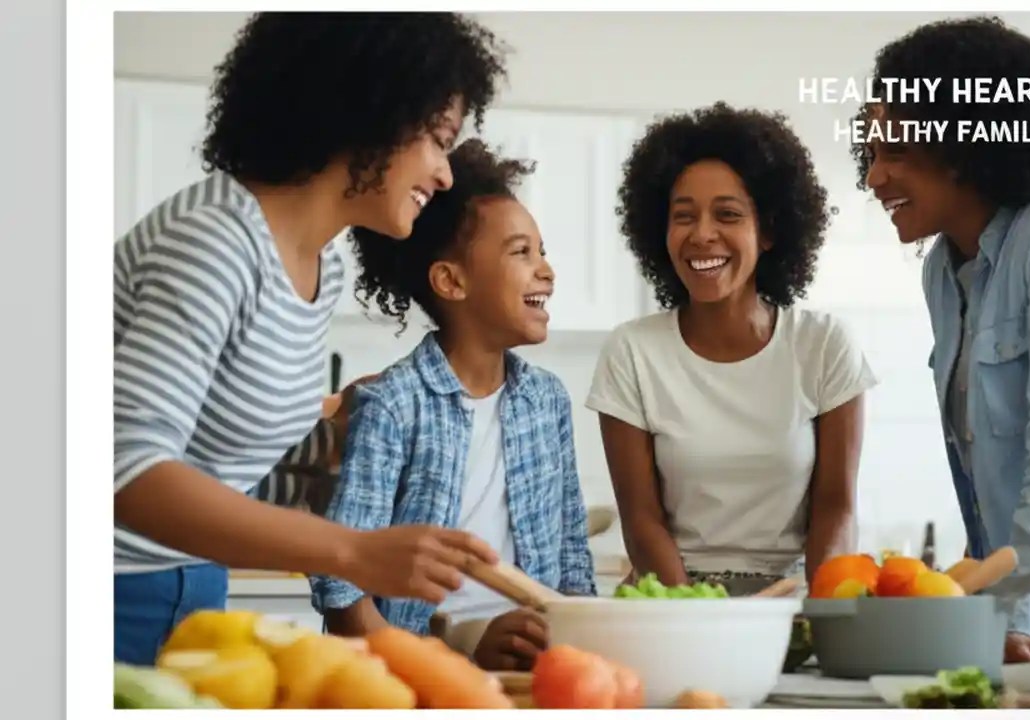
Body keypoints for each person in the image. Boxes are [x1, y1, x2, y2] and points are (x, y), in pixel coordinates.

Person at [113, 12, 509, 666]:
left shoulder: (321, 269)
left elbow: (221, 473)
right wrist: (352, 551)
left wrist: (334, 444)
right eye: (438, 139)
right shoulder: (213, 241)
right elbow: (125, 469)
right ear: (369, 113)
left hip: (193, 588)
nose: (444, 174)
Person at [851, 16, 1030, 662]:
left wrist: (1026, 624)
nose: (873, 178)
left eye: (895, 152)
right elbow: (987, 481)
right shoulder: (945, 267)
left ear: (962, 145)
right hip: (1013, 635)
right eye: (872, 153)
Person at [311, 139, 596, 672]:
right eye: (521, 252)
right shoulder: (392, 404)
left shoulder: (547, 400)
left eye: (543, 250)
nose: (547, 270)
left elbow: (572, 562)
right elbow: (341, 589)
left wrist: (580, 652)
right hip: (424, 672)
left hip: (538, 671)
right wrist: (457, 651)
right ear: (451, 280)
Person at [586, 102, 878, 596]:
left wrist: (821, 609)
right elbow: (642, 521)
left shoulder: (823, 345)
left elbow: (836, 509)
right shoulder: (632, 351)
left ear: (767, 231)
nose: (702, 234)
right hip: (673, 599)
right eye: (683, 217)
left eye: (728, 214)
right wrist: (693, 611)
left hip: (789, 601)